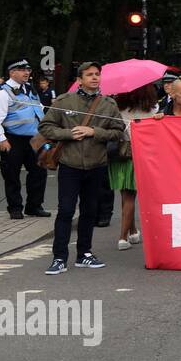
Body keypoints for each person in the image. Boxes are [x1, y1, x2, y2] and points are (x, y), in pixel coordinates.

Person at [38, 62, 123, 275]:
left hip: (97, 165)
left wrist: (94, 131)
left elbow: (118, 132)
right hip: (70, 164)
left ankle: (84, 253)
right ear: (79, 80)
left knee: (89, 211)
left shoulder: (108, 104)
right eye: (89, 74)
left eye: (97, 74)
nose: (95, 78)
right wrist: (68, 134)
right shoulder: (64, 100)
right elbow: (45, 127)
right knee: (66, 211)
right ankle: (59, 257)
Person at [108, 84, 156, 251]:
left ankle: (133, 232)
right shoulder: (153, 109)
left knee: (125, 195)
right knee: (130, 196)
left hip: (120, 155)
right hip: (141, 155)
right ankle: (122, 237)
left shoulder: (117, 108)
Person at [0, 57, 49, 219]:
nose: (27, 72)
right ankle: (15, 208)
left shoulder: (30, 89)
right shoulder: (3, 92)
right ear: (12, 72)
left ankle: (34, 206)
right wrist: (2, 140)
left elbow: (40, 111)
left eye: (28, 70)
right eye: (22, 70)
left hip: (35, 137)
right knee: (12, 174)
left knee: (39, 172)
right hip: (13, 138)